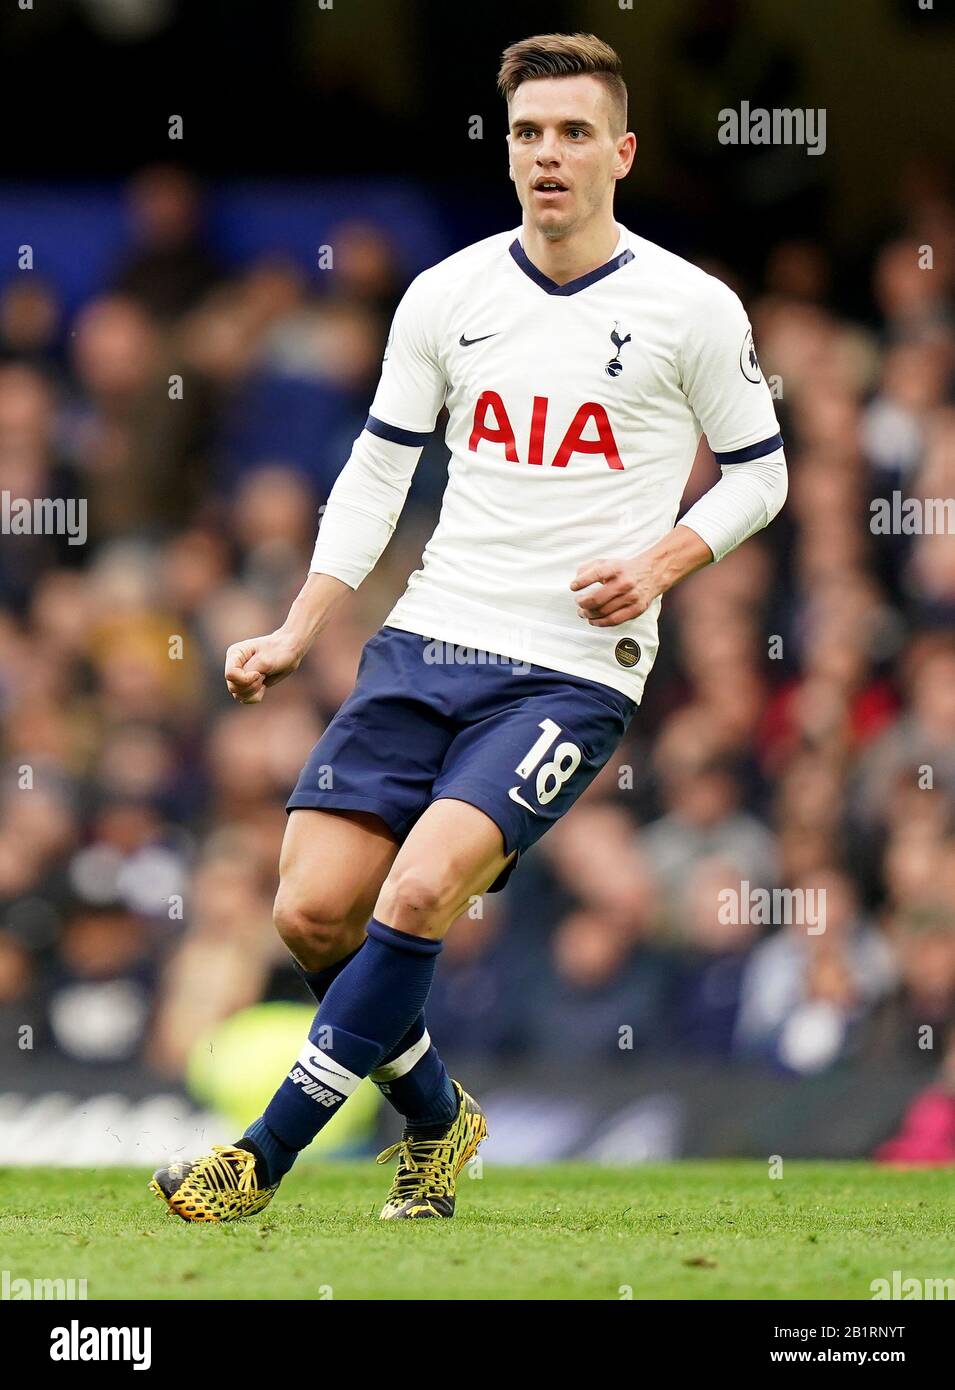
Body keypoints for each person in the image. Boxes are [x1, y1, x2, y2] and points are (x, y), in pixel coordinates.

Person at [151, 31, 787, 1223]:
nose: (550, 155)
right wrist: (298, 627)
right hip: (427, 636)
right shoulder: (447, 294)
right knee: (311, 912)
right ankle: (443, 1121)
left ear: (621, 150)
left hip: (572, 668)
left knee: (421, 888)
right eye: (530, 135)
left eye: (574, 133)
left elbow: (761, 475)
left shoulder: (689, 307)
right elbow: (377, 472)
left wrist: (664, 558)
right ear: (507, 153)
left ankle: (258, 1159)